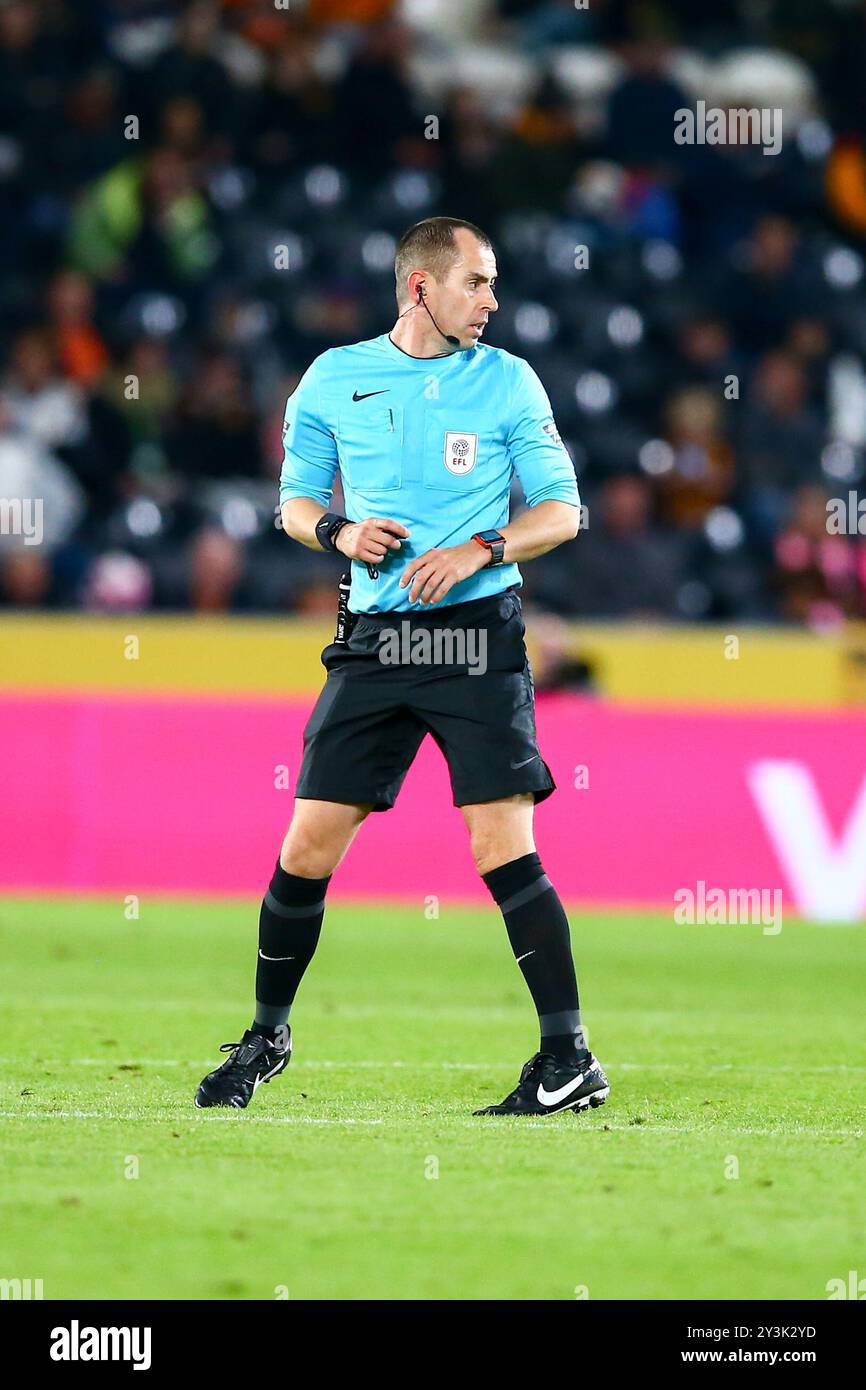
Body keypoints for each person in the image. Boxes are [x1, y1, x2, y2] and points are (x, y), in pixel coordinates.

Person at [195, 217, 610, 1118]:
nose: (493, 301)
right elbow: (293, 503)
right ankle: (266, 1035)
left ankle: (567, 1057)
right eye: (477, 282)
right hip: (376, 644)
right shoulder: (334, 378)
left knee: (501, 844)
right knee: (305, 847)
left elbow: (564, 512)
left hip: (475, 641)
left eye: (493, 284)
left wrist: (481, 547)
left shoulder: (509, 382)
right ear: (422, 288)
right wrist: (339, 531)